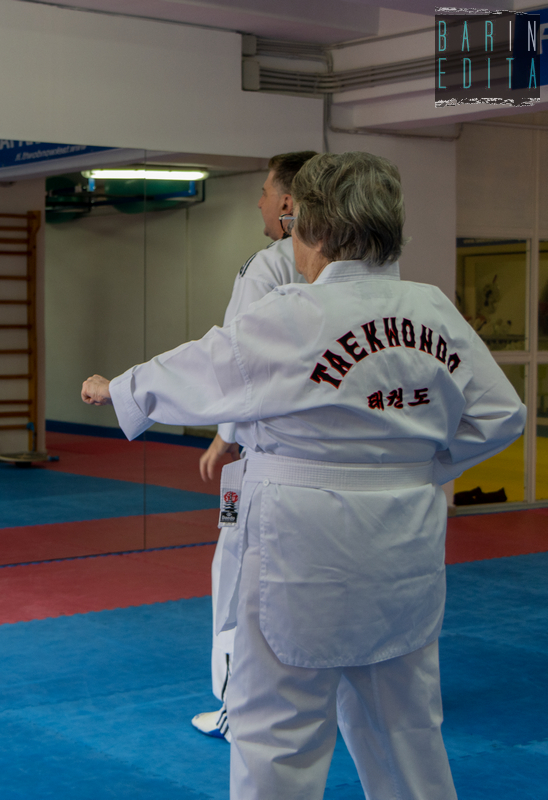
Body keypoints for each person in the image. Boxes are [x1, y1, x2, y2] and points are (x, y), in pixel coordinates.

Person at [81, 152, 524, 800]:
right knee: (406, 732)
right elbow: (500, 415)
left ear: (312, 230)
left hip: (302, 545)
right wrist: (414, 465)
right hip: (404, 548)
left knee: (278, 742)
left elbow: (203, 370)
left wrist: (117, 387)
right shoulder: (433, 312)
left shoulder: (294, 314)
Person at [192, 150, 316, 739]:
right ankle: (320, 696)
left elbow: (235, 362)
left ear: (288, 203)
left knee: (236, 571)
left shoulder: (266, 267)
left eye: (266, 191)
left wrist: (224, 436)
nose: (259, 201)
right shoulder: (354, 270)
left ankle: (233, 704)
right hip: (324, 464)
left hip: (261, 458)